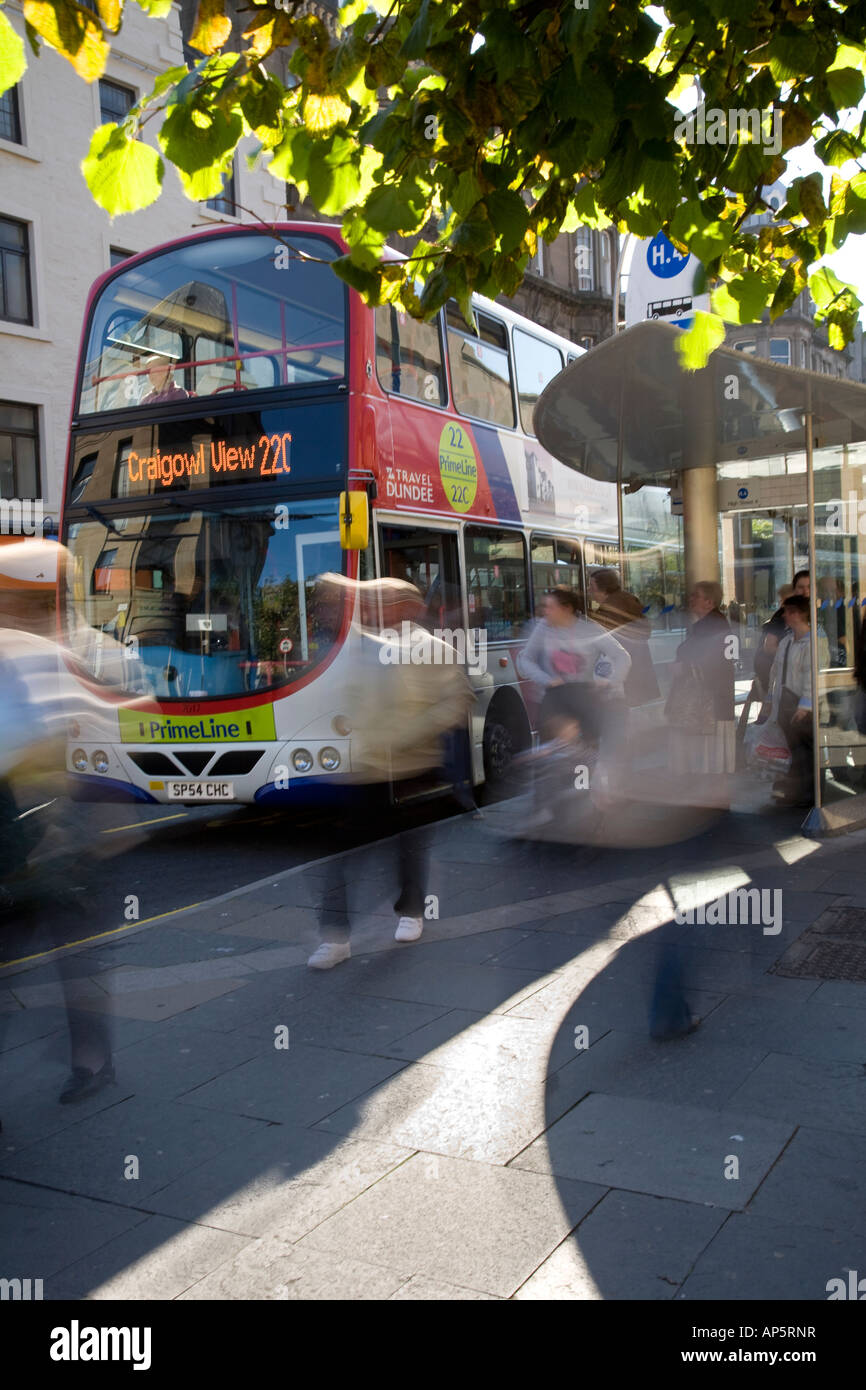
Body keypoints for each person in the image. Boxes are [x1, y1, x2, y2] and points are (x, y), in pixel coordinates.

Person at [307, 578, 475, 969]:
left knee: (408, 849)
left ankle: (411, 911)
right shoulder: (358, 647)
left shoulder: (434, 649)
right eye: (370, 600)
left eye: (383, 600)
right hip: (366, 769)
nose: (372, 607)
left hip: (413, 767)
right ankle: (334, 937)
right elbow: (347, 694)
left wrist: (410, 732)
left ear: (409, 607)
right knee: (340, 851)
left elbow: (459, 698)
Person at [517, 585, 631, 747]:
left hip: (584, 699)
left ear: (567, 609)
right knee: (553, 753)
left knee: (585, 752)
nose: (545, 612)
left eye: (550, 607)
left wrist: (611, 682)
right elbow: (526, 659)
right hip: (555, 700)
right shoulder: (543, 627)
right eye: (544, 607)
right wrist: (546, 680)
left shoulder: (589, 629)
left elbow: (622, 656)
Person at [666, 581, 736, 803]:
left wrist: (685, 667)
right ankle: (711, 794)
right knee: (708, 751)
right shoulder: (708, 625)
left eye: (696, 596)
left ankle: (714, 796)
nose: (691, 599)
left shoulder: (713, 626)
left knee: (712, 751)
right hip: (704, 702)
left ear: (710, 602)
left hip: (708, 703)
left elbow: (716, 662)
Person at [764, 593, 829, 807]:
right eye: (785, 611)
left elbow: (814, 675)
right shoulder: (786, 642)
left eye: (791, 611)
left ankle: (809, 792)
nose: (786, 615)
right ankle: (796, 790)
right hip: (786, 702)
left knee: (805, 751)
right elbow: (776, 671)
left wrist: (806, 704)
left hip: (802, 704)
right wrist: (771, 698)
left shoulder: (814, 642)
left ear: (801, 614)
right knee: (794, 749)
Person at [588, 568, 660, 706]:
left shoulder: (612, 609)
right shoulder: (627, 601)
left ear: (604, 589)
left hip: (624, 673)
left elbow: (598, 638)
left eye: (592, 586)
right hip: (636, 670)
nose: (589, 590)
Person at [754, 570, 809, 699]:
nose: (806, 592)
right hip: (783, 680)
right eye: (801, 588)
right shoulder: (781, 619)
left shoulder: (815, 615)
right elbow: (769, 647)